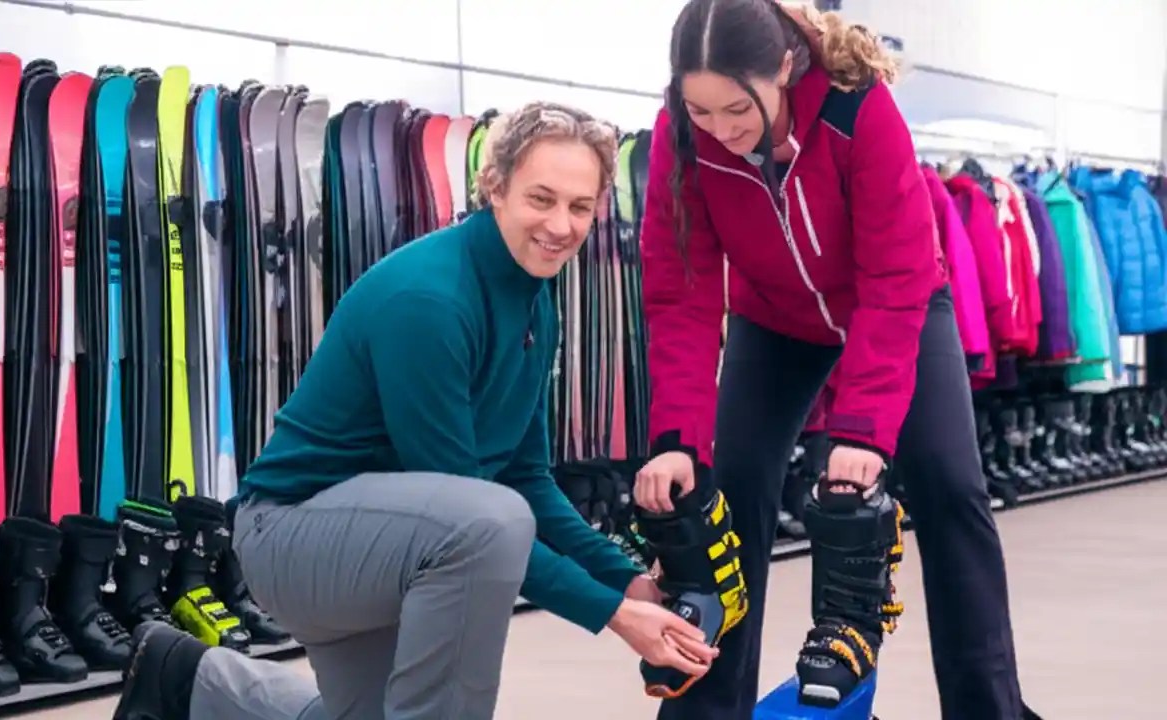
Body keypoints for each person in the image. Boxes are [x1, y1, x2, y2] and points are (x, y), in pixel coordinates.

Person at [111, 101, 722, 720]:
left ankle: (186, 678)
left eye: (580, 206)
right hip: (295, 541)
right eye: (542, 198)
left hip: (395, 542)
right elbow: (473, 508)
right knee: (490, 523)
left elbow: (527, 478)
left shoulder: (536, 301)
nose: (561, 224)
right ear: (496, 187)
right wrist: (614, 615)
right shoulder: (430, 300)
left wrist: (629, 581)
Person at [632, 1, 1039, 719]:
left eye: (736, 108)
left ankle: (989, 708)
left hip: (899, 300)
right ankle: (706, 713)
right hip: (776, 315)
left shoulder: (858, 111)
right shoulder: (683, 139)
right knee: (730, 490)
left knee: (949, 487)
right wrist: (676, 440)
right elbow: (683, 293)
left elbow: (893, 279)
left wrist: (862, 431)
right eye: (700, 110)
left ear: (785, 68)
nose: (721, 131)